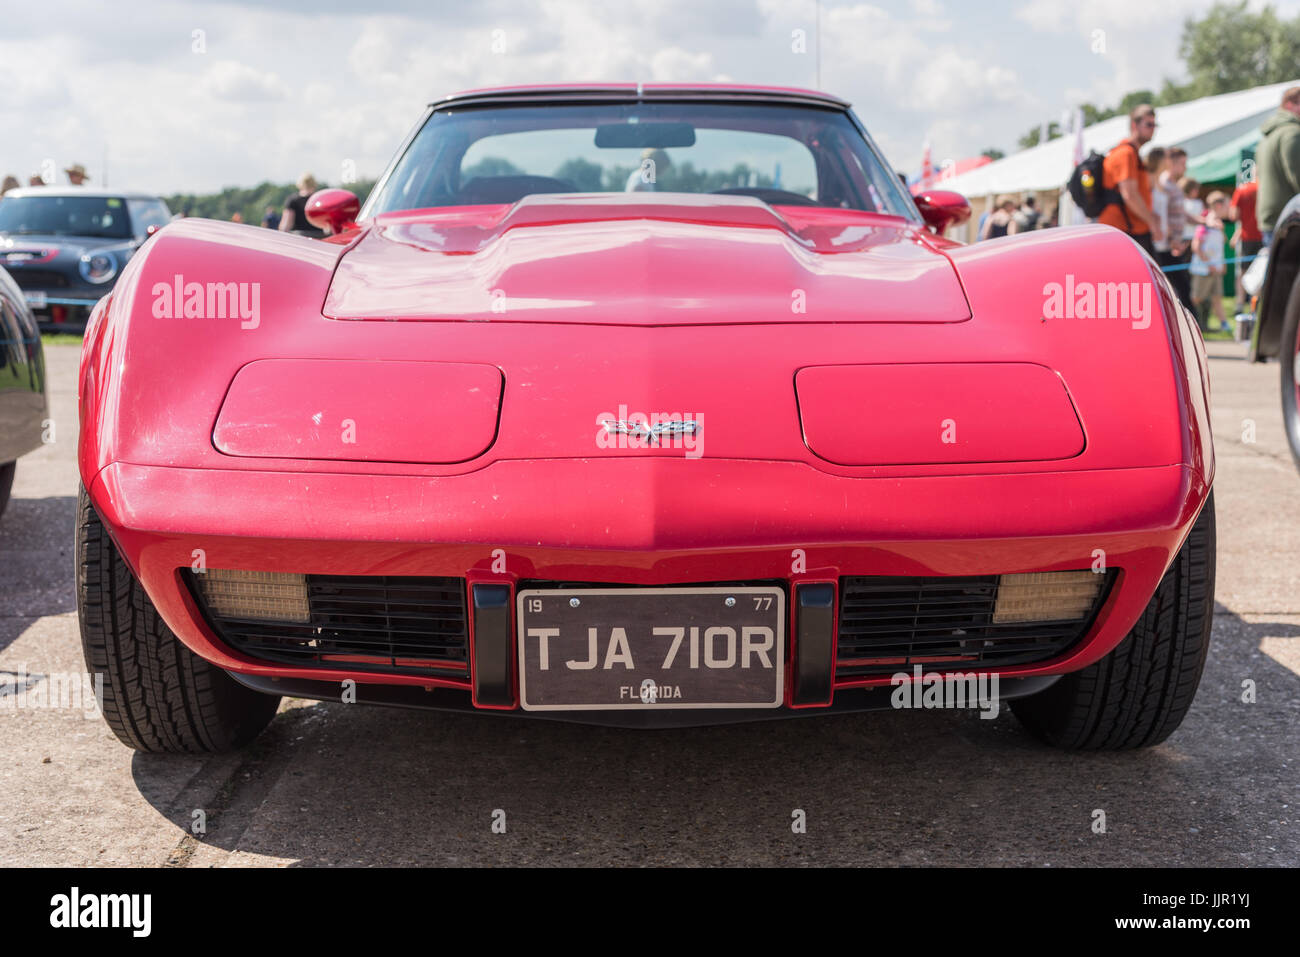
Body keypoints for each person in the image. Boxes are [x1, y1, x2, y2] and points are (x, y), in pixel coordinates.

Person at [1098, 104, 1162, 254]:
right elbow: (1130, 195)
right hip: (1122, 232)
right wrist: (1152, 222)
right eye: (1149, 124)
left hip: (1130, 230)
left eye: (1154, 124)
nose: (1153, 129)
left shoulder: (1132, 153)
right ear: (1134, 125)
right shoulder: (1125, 154)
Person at [1256, 85, 1300, 245]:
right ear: (1289, 105)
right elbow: (1297, 175)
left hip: (1273, 218)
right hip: (1291, 221)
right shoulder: (1292, 132)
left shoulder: (1268, 136)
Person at [1152, 148, 1191, 310]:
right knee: (1178, 286)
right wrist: (1171, 239)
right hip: (1165, 244)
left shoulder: (1174, 185)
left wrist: (1203, 221)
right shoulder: (1163, 185)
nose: (1185, 167)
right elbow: (1161, 214)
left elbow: (1180, 213)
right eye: (1182, 163)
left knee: (1180, 286)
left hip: (1172, 243)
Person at [1190, 192, 1229, 333]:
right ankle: (1189, 322)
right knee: (1197, 297)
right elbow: (1196, 247)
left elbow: (1222, 244)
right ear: (1218, 206)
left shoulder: (1219, 226)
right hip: (1203, 270)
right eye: (1227, 205)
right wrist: (1209, 264)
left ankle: (1224, 325)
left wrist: (1221, 264)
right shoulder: (1204, 225)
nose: (1229, 208)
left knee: (1217, 297)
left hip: (1216, 269)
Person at [1229, 178, 1262, 309]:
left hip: (1248, 238)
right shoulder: (1266, 188)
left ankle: (1240, 305)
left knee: (1243, 272)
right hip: (1264, 236)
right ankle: (1257, 305)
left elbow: (1233, 215)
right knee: (1263, 272)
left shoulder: (1242, 189)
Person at [278, 172, 324, 238]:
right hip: (319, 238)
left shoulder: (293, 200)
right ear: (314, 184)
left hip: (299, 237)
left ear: (300, 184)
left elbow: (286, 225)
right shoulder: (319, 200)